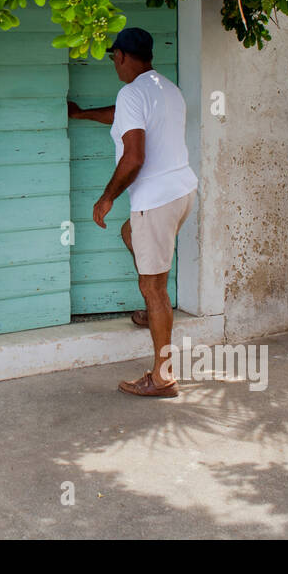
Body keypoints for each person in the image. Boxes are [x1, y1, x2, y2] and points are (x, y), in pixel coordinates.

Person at [67, 26, 197, 398]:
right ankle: (152, 310)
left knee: (153, 286)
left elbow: (134, 156)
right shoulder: (165, 88)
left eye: (113, 58)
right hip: (182, 192)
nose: (114, 65)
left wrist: (107, 196)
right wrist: (82, 115)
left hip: (155, 201)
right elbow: (122, 119)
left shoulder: (131, 92)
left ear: (121, 56)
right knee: (130, 235)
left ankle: (162, 376)